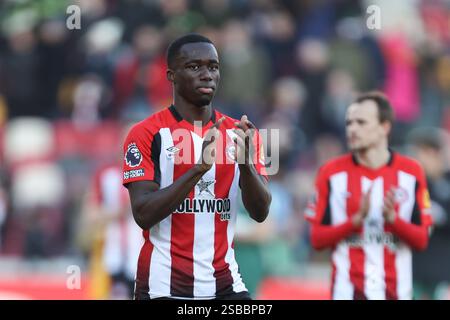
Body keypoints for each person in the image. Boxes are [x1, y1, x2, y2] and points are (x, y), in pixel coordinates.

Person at [122, 34, 271, 300]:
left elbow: (260, 212)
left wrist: (246, 166)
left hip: (225, 284)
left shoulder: (241, 133)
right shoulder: (146, 133)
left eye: (213, 67)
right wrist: (198, 169)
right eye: (194, 67)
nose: (207, 75)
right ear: (171, 76)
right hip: (163, 287)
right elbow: (142, 214)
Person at [305, 91, 433, 300]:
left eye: (361, 122)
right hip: (346, 293)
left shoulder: (411, 172)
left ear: (385, 127)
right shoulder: (330, 172)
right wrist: (355, 221)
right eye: (349, 123)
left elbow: (421, 240)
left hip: (396, 294)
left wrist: (393, 219)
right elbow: (316, 239)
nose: (352, 129)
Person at [408, 128, 450, 299]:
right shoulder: (412, 184)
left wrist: (442, 216)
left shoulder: (446, 182)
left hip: (443, 268)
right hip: (416, 266)